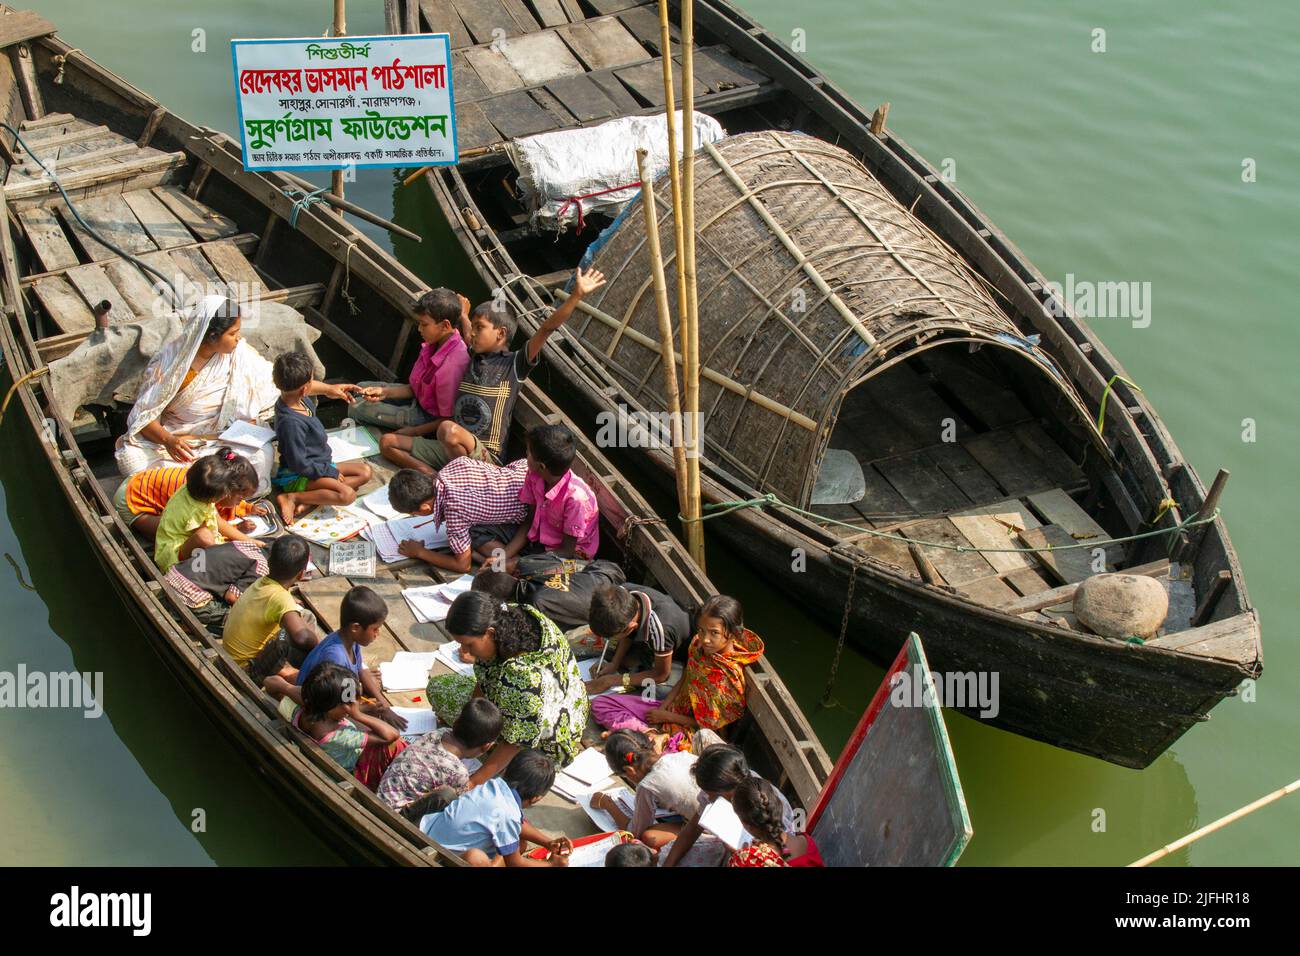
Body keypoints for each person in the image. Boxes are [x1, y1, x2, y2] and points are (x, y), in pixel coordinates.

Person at [379, 266, 606, 474]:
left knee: (449, 430)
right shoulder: (472, 356)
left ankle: (458, 477)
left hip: (485, 458)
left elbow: (547, 328)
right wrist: (465, 316)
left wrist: (575, 296)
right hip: (449, 448)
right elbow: (468, 332)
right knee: (387, 442)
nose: (474, 334)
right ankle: (434, 476)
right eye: (474, 329)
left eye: (481, 328)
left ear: (501, 334)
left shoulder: (515, 364)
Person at [116, 294, 354, 487]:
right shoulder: (169, 364)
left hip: (223, 440)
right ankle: (203, 491)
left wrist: (329, 389)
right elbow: (145, 417)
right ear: (211, 336)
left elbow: (282, 383)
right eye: (232, 333)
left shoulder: (238, 355)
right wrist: (169, 441)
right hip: (180, 444)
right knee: (133, 463)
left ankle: (199, 492)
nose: (238, 338)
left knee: (262, 458)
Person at [425, 592, 589, 783]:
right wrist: (469, 723)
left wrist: (473, 782)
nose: (465, 651)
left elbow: (515, 743)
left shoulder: (524, 677)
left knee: (523, 774)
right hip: (527, 705)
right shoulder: (509, 616)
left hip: (546, 740)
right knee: (439, 687)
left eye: (469, 645)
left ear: (490, 633)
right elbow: (484, 680)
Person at [591, 595, 763, 741]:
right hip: (673, 708)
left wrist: (667, 717)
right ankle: (647, 734)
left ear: (732, 633)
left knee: (661, 750)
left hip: (692, 731)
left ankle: (646, 736)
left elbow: (709, 727)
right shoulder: (697, 646)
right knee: (601, 704)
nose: (705, 639)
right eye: (702, 631)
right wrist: (662, 709)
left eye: (714, 633)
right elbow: (685, 679)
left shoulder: (727, 675)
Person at [419, 748, 572, 867]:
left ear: (506, 771)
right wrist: (552, 864)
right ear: (536, 798)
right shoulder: (508, 814)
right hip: (440, 860)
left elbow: (518, 823)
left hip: (425, 838)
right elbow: (515, 863)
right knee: (502, 850)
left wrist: (548, 843)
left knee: (518, 842)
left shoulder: (491, 785)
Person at [267, 662, 405, 791]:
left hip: (317, 756)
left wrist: (288, 689)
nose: (352, 707)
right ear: (334, 706)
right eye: (350, 704)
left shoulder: (298, 708)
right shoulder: (337, 736)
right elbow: (392, 734)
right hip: (349, 772)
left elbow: (270, 681)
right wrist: (358, 715)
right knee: (396, 745)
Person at [270, 351, 371, 522]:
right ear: (304, 389)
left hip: (319, 463)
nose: (314, 383)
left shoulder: (297, 398)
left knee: (365, 472)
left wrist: (331, 389)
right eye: (311, 380)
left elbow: (310, 387)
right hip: (299, 475)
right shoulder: (291, 424)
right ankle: (294, 497)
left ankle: (313, 499)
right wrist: (328, 472)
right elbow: (299, 464)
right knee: (347, 495)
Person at [350, 288, 471, 432]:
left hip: (428, 417)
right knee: (359, 389)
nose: (419, 329)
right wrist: (384, 392)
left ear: (445, 325)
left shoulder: (452, 366)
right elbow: (415, 389)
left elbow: (447, 419)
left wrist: (414, 432)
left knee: (356, 409)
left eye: (424, 324)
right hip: (418, 399)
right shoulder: (435, 343)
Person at [291, 585, 406, 730]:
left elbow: (361, 671)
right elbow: (335, 706)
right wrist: (366, 710)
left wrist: (383, 704)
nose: (378, 634)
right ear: (356, 628)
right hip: (314, 710)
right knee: (377, 731)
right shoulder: (336, 658)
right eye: (375, 629)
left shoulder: (350, 640)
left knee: (372, 692)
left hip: (338, 699)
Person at [661, 744, 795, 868]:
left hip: (756, 861)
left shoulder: (764, 801)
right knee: (664, 856)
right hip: (734, 852)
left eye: (712, 795)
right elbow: (693, 829)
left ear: (729, 790)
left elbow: (778, 856)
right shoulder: (722, 789)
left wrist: (737, 852)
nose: (709, 799)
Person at [386, 462, 529, 574]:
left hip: (530, 513)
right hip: (524, 473)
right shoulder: (456, 465)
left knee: (472, 534)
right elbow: (496, 470)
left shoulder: (454, 511)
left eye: (413, 514)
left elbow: (463, 565)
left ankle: (511, 559)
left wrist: (420, 552)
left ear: (425, 507)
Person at [592, 728, 722, 850]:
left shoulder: (647, 786)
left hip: (710, 830)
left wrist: (607, 804)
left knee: (649, 837)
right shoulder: (679, 756)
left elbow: (634, 832)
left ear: (629, 770)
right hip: (725, 809)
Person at [377, 697, 502, 820]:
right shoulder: (459, 774)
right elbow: (460, 805)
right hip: (394, 818)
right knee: (450, 797)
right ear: (486, 747)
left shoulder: (438, 733)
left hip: (380, 799)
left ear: (456, 722)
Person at [497, 423, 600, 564]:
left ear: (542, 466)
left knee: (545, 578)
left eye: (528, 453)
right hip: (538, 541)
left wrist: (519, 563)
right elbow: (530, 521)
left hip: (568, 556)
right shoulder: (534, 476)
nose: (526, 455)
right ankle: (513, 564)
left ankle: (516, 565)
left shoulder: (576, 499)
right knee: (478, 532)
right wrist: (503, 557)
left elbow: (566, 551)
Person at [153, 448, 264, 573]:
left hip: (186, 547)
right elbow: (204, 541)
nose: (240, 502)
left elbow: (216, 520)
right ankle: (194, 576)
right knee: (204, 537)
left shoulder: (198, 489)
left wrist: (249, 541)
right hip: (173, 560)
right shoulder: (195, 509)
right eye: (240, 498)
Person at [222, 534, 318, 674]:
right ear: (301, 574)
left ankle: (291, 666)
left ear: (268, 562)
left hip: (230, 656)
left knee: (304, 616)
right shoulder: (280, 598)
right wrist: (320, 646)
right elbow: (302, 638)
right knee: (293, 633)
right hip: (246, 671)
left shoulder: (261, 582)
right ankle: (306, 671)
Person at [584, 582, 693, 695]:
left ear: (631, 628)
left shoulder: (660, 630)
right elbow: (628, 634)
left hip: (677, 656)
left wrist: (611, 681)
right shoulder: (622, 592)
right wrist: (614, 663)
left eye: (611, 637)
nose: (609, 639)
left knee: (657, 692)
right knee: (606, 653)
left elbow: (661, 675)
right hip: (651, 642)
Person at [112, 461, 262, 540]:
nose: (240, 502)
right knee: (182, 532)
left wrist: (247, 508)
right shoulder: (201, 491)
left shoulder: (211, 479)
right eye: (240, 499)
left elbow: (220, 508)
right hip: (130, 501)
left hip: (136, 482)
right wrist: (237, 531)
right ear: (227, 491)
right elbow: (212, 525)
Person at [726, 777, 823, 867]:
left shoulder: (746, 860)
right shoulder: (805, 841)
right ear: (778, 805)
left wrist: (738, 855)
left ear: (747, 825)